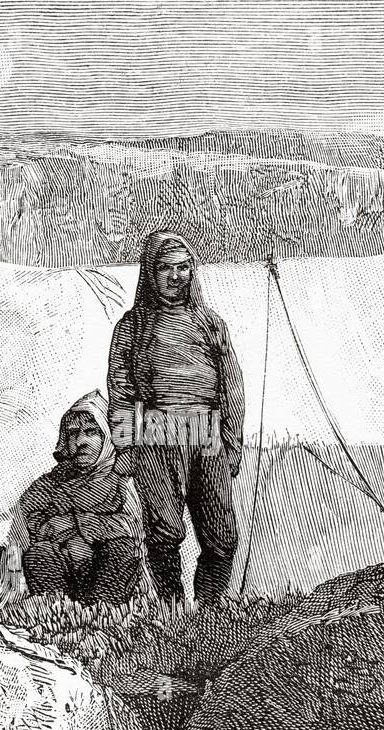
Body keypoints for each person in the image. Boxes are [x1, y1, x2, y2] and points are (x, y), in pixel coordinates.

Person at [106, 230, 244, 605]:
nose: (176, 276)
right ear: (151, 272)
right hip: (154, 440)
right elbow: (121, 391)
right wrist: (126, 448)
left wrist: (232, 444)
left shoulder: (210, 324)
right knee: (165, 531)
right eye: (166, 268)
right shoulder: (131, 327)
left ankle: (210, 611)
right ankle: (172, 606)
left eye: (184, 268)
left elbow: (231, 389)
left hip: (207, 438)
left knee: (223, 537)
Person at [10, 390, 144, 604]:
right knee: (39, 554)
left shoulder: (123, 477)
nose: (80, 440)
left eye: (91, 432)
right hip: (64, 565)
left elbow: (135, 525)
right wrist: (47, 528)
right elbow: (24, 516)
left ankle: (103, 611)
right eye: (73, 433)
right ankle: (56, 609)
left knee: (122, 550)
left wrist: (76, 523)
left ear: (108, 436)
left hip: (103, 566)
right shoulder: (54, 480)